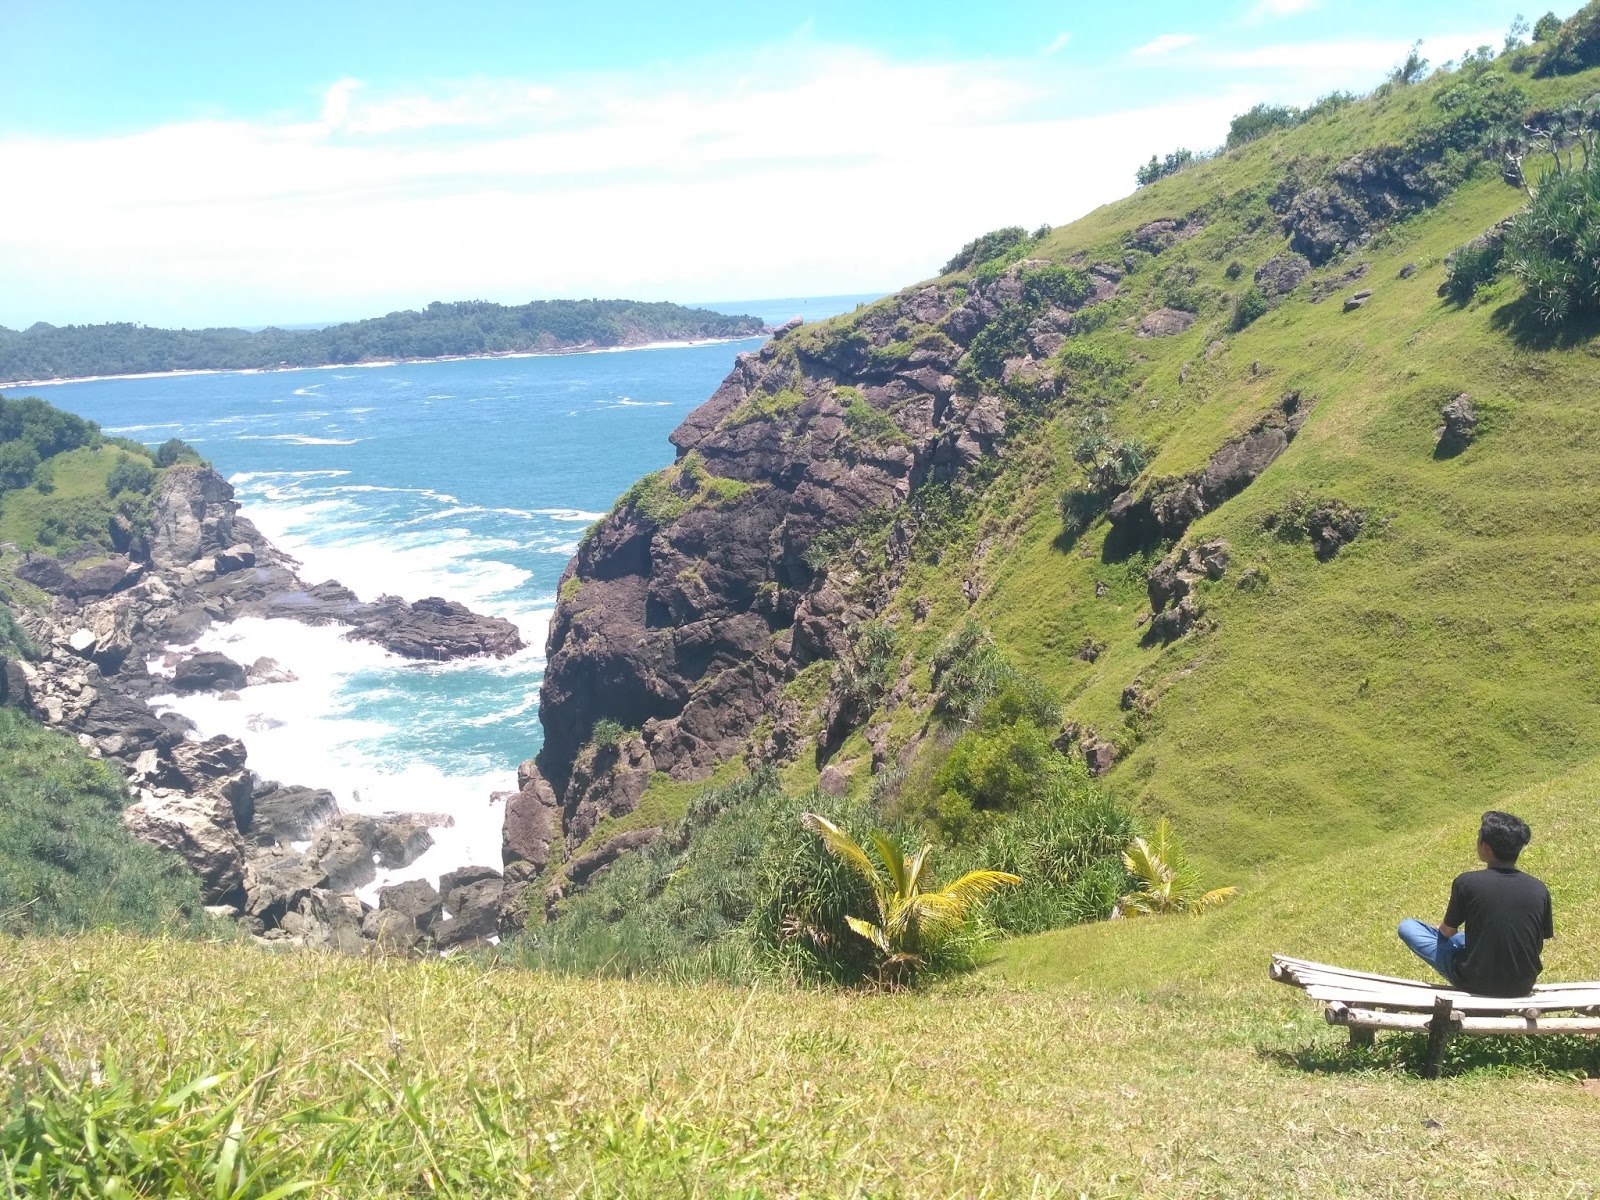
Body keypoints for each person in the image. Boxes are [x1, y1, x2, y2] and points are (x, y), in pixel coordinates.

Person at [1397, 811, 1553, 997]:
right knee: (1464, 939)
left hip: (1475, 981)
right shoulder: (1539, 888)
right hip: (1522, 984)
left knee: (1408, 927)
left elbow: (1447, 932)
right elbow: (1537, 941)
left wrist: (1441, 931)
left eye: (1478, 837)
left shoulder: (1467, 882)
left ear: (1486, 847)